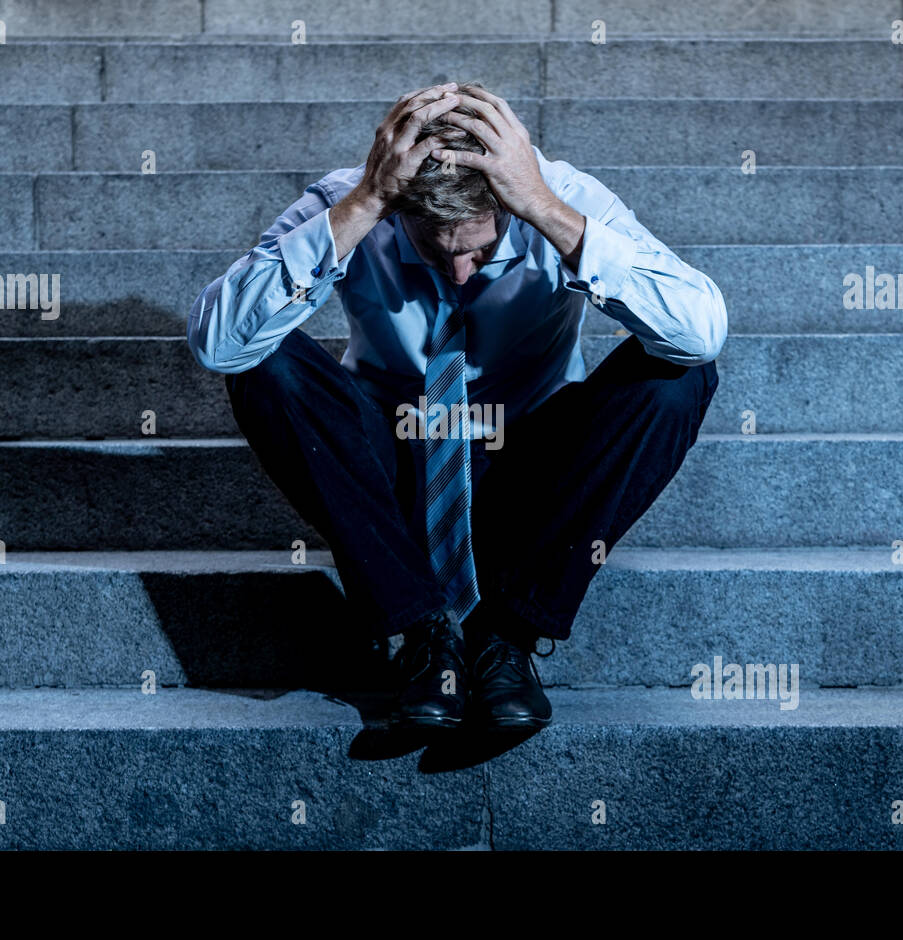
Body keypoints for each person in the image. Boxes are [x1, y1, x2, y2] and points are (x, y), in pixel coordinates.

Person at [188, 81, 725, 732]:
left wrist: (546, 211)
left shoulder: (561, 196)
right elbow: (218, 343)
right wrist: (365, 203)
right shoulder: (352, 199)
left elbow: (701, 332)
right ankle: (422, 630)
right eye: (437, 251)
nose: (462, 274)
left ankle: (506, 636)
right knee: (262, 359)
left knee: (677, 377)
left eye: (478, 249)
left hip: (527, 470)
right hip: (389, 468)